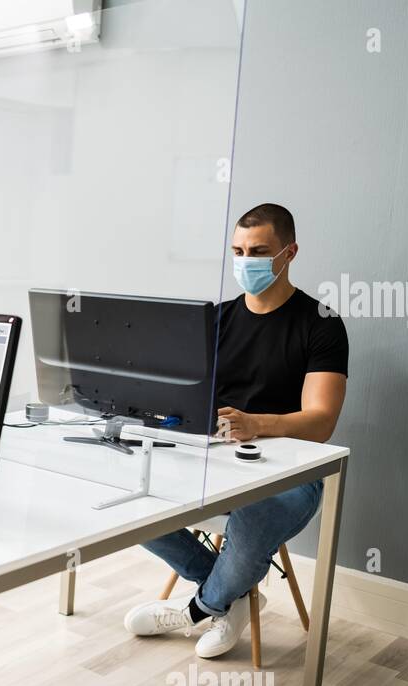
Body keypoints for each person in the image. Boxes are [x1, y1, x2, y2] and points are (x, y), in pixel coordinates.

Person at [125, 203, 348, 659]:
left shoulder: (321, 324)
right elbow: (182, 396)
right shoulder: (215, 320)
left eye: (259, 251)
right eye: (238, 251)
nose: (246, 261)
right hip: (213, 457)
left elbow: (322, 422)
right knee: (129, 493)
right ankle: (235, 594)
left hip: (290, 474)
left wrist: (256, 425)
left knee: (252, 519)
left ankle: (196, 608)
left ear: (289, 253)